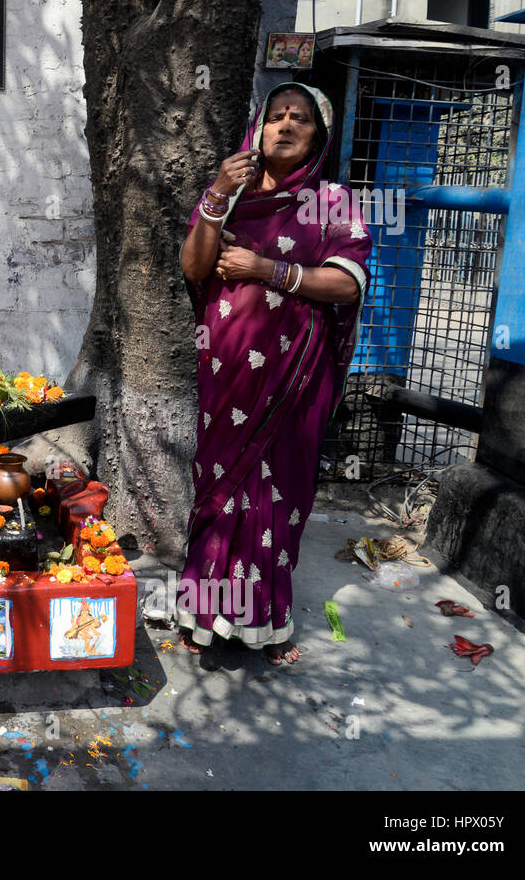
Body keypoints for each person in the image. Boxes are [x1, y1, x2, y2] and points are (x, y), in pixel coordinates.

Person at [177, 83, 370, 665]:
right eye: (276, 117)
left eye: (301, 120)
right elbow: (194, 266)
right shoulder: (231, 197)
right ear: (257, 130)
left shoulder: (330, 202)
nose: (285, 126)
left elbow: (348, 282)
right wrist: (216, 193)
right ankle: (204, 615)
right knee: (220, 485)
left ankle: (266, 620)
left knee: (278, 492)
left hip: (295, 379)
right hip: (228, 369)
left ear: (319, 138)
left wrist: (268, 270)